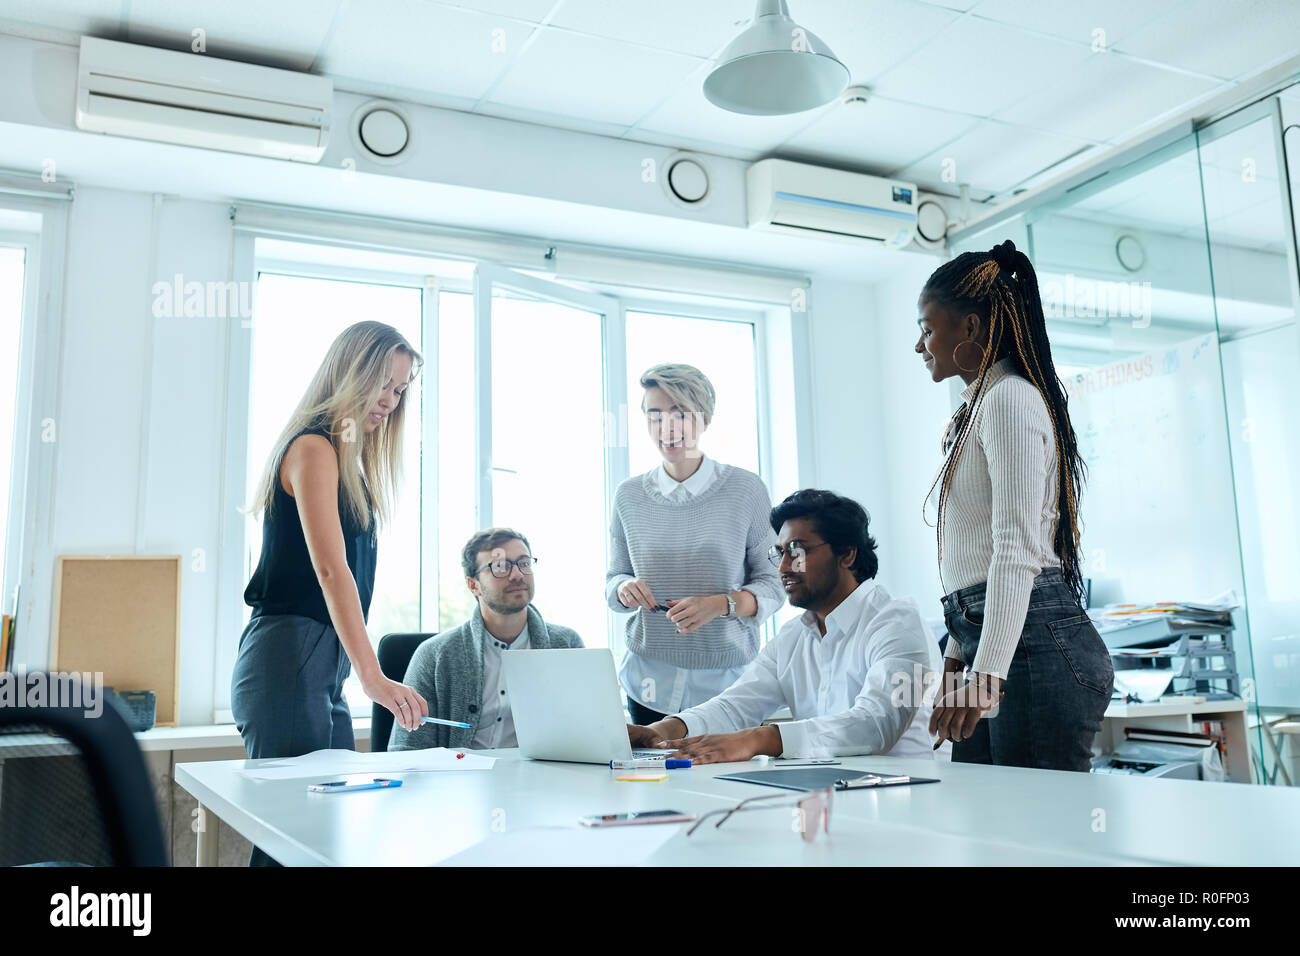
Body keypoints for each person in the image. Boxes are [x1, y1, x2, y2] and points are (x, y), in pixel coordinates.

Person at [231, 321, 429, 865]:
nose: (390, 401)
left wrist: (354, 670)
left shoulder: (351, 464)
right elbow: (330, 571)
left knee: (324, 840)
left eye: (400, 389)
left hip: (323, 666)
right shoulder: (313, 448)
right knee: (293, 842)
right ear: (349, 374)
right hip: (287, 657)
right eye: (382, 384)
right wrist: (373, 675)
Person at [915, 238, 1114, 771]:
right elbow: (972, 557)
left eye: (928, 329)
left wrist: (985, 672)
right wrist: (959, 658)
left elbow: (1015, 551)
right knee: (987, 825)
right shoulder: (975, 405)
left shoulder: (1009, 400)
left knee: (1036, 839)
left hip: (1035, 648)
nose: (920, 345)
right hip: (990, 641)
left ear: (971, 328)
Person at [628, 489, 940, 763]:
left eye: (797, 551)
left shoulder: (897, 622)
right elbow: (734, 706)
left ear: (846, 554)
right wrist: (657, 732)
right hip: (829, 795)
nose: (783, 567)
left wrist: (757, 740)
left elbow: (875, 725)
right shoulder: (794, 636)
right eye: (780, 553)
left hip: (907, 797)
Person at [606, 363, 783, 725]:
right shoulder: (628, 496)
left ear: (704, 419)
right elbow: (614, 578)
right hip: (647, 682)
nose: (666, 428)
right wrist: (624, 588)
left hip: (728, 686)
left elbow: (774, 583)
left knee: (724, 782)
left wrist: (721, 604)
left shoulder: (746, 490)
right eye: (654, 416)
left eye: (680, 414)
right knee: (648, 781)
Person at [389, 528, 584, 751]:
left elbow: (587, 734)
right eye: (500, 566)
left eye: (524, 563)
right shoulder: (433, 655)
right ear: (473, 585)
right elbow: (407, 751)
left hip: (545, 779)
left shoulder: (567, 646)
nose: (517, 574)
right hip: (459, 780)